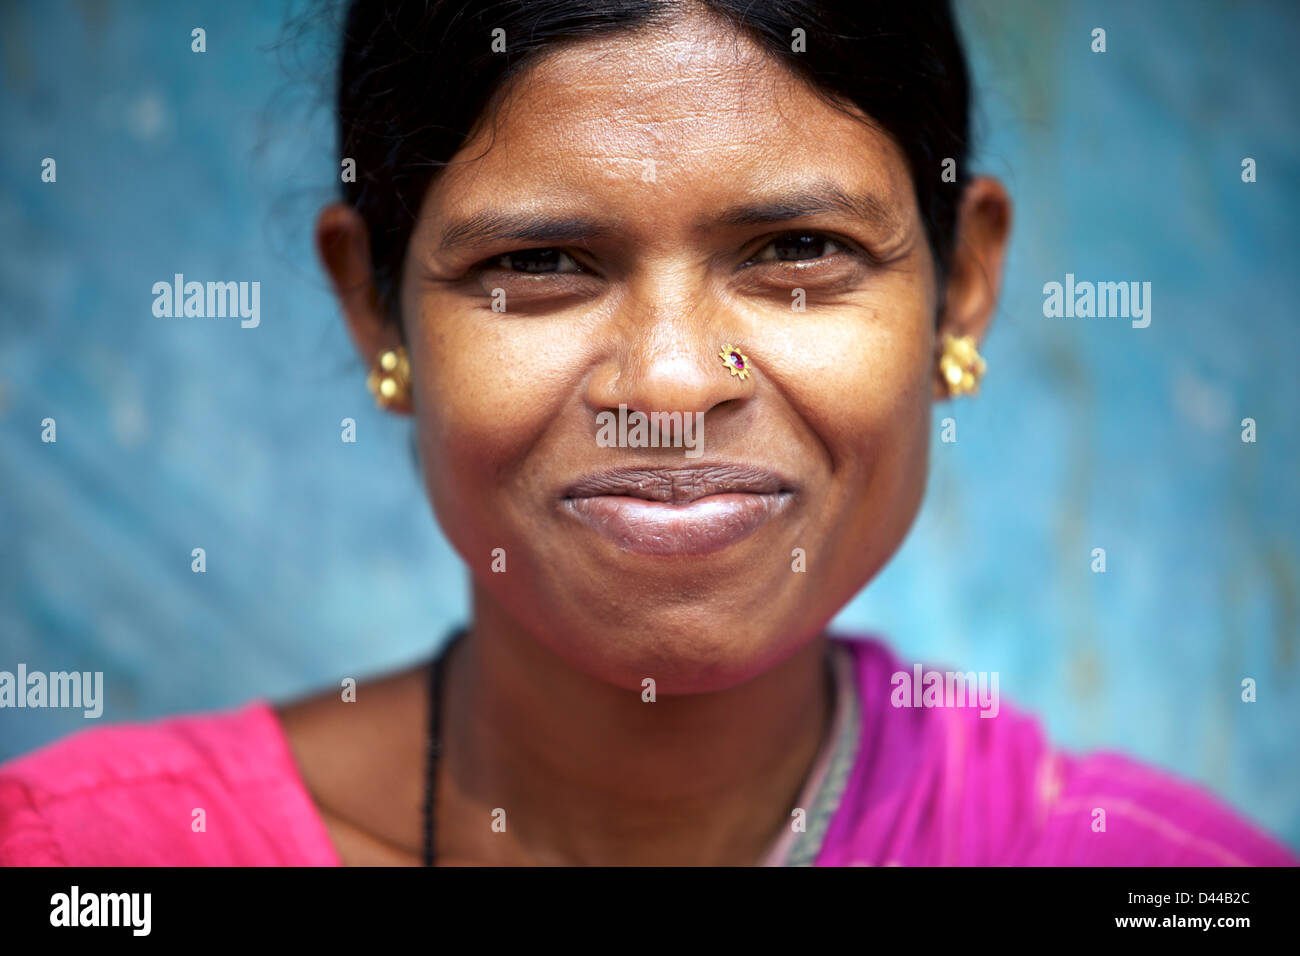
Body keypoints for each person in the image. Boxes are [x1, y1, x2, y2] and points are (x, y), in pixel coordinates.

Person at [1, 0, 1294, 866]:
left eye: (798, 252)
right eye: (543, 260)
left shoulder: (1141, 869)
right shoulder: (92, 856)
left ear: (959, 288)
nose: (671, 387)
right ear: (372, 308)